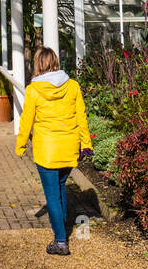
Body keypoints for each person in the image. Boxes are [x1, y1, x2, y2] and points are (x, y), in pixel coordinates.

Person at [15, 46, 93, 255]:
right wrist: (86, 144)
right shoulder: (73, 86)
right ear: (55, 62)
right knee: (60, 188)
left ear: (39, 64)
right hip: (68, 148)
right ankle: (63, 228)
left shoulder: (33, 90)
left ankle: (60, 240)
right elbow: (81, 117)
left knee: (52, 195)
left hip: (46, 150)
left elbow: (26, 121)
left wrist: (21, 145)